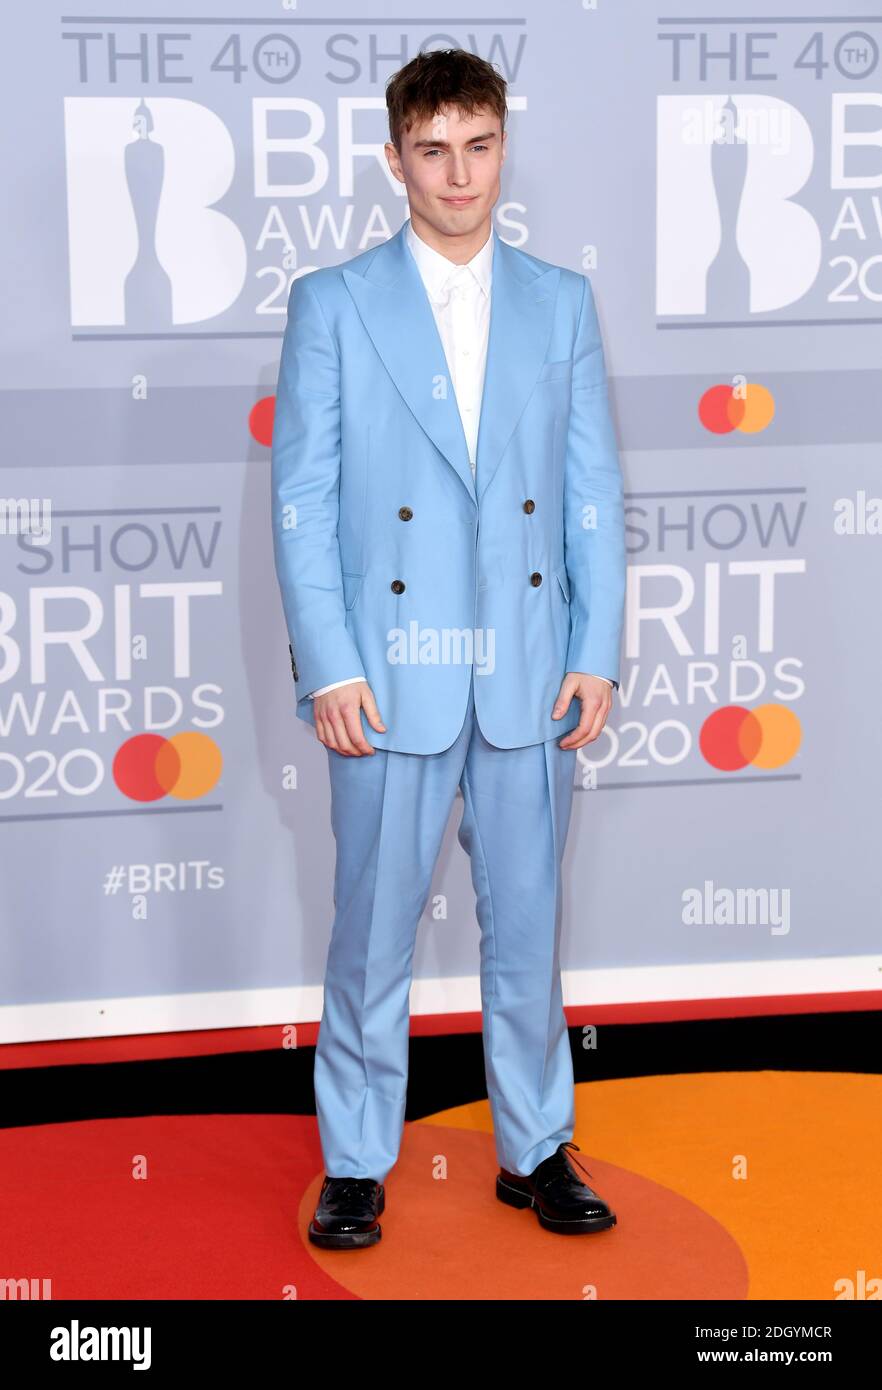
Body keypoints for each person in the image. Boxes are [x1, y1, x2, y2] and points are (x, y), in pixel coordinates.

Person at [270, 49, 626, 1249]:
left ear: (503, 148)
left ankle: (534, 1146)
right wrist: (329, 661)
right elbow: (302, 499)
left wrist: (599, 645)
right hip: (387, 672)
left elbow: (591, 493)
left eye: (478, 145)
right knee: (368, 928)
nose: (458, 172)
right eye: (433, 149)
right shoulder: (333, 301)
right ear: (394, 159)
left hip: (528, 668)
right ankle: (358, 1156)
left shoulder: (562, 301)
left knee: (528, 922)